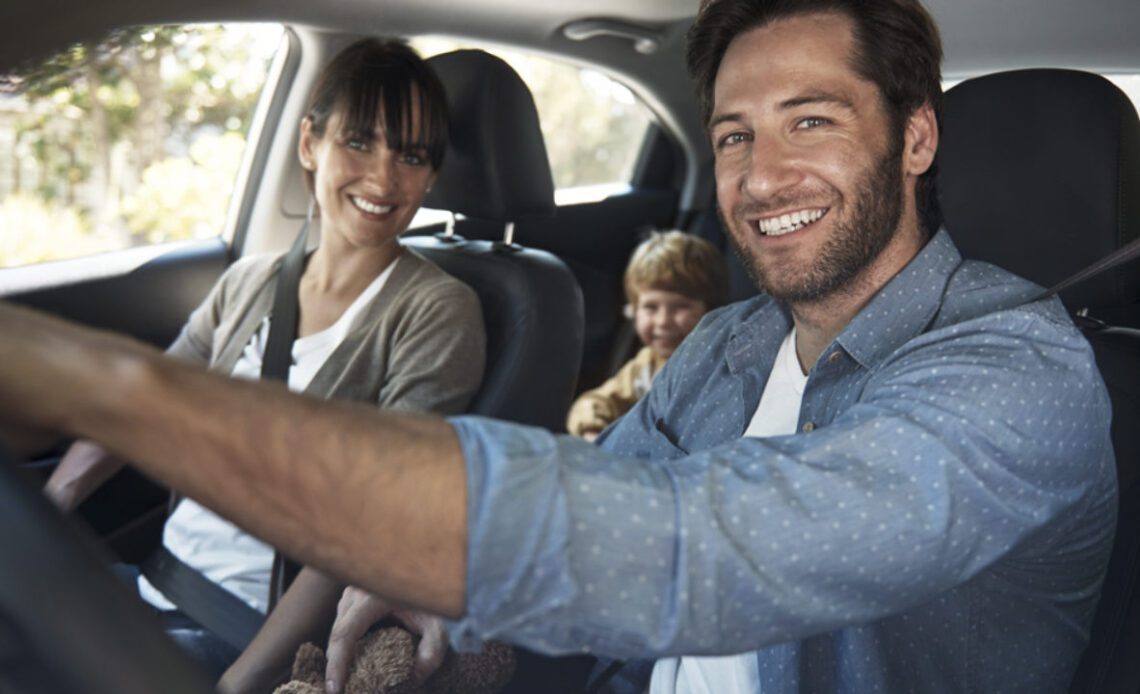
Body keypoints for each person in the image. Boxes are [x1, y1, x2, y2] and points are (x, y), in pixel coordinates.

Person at [0, 1, 1118, 692]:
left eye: (811, 121)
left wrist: (109, 384)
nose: (761, 177)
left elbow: (696, 550)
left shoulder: (1022, 375)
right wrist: (442, 597)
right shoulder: (730, 342)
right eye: (735, 134)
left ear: (916, 137)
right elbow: (606, 487)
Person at [39, 38, 486, 692]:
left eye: (411, 155)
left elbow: (373, 526)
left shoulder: (436, 310)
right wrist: (48, 506)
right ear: (310, 143)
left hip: (241, 632)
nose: (384, 178)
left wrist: (243, 682)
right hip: (151, 582)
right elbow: (140, 404)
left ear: (430, 175)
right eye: (359, 141)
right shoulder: (248, 282)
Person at [567, 231, 727, 441]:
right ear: (633, 310)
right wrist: (592, 431)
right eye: (650, 307)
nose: (663, 321)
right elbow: (596, 402)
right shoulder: (647, 363)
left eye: (681, 307)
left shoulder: (719, 363)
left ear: (711, 311)